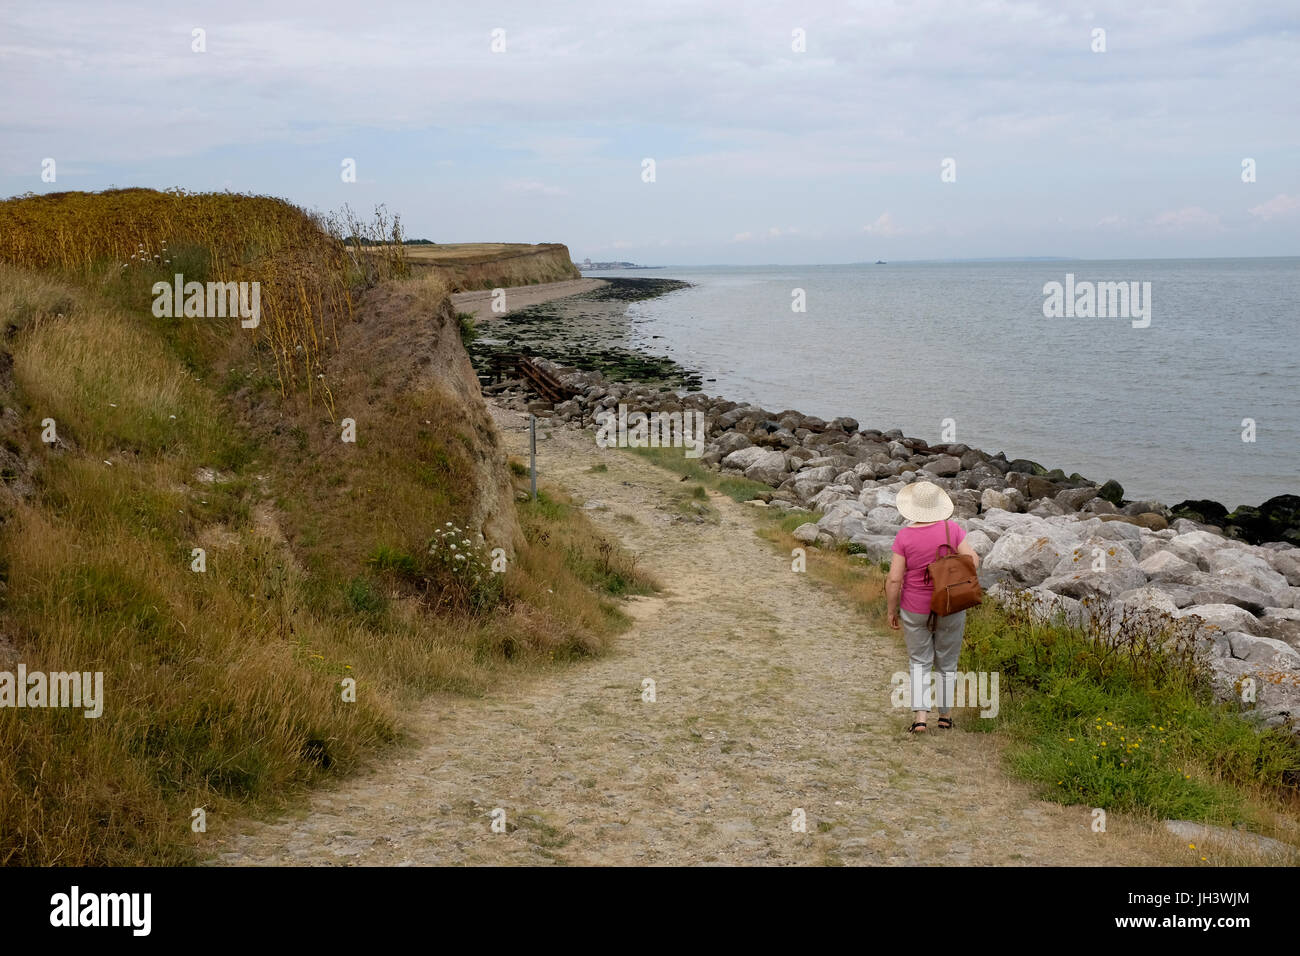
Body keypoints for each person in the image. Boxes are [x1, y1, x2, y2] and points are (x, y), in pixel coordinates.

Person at [885, 480, 980, 734]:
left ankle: (920, 719)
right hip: (950, 604)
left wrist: (891, 611)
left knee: (919, 661)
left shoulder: (904, 536)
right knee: (947, 661)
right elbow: (973, 560)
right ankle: (945, 716)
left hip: (914, 607)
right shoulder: (952, 530)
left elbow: (894, 578)